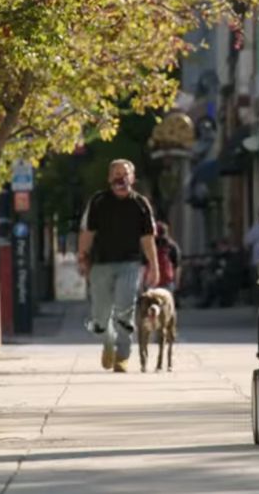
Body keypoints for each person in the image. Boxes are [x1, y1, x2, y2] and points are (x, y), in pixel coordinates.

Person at [78, 159, 160, 373]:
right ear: (108, 178)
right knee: (100, 314)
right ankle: (108, 344)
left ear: (132, 178)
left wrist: (154, 266)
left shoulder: (141, 204)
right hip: (100, 264)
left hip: (130, 264)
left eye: (124, 173)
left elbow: (148, 238)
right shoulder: (97, 202)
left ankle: (122, 355)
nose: (119, 177)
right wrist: (82, 258)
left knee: (125, 307)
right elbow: (87, 233)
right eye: (115, 173)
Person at [154, 221, 182, 294]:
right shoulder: (172, 246)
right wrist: (176, 283)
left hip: (152, 281)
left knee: (152, 303)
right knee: (166, 303)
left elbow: (143, 266)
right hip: (168, 282)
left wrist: (141, 285)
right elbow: (177, 267)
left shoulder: (151, 246)